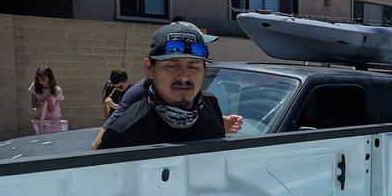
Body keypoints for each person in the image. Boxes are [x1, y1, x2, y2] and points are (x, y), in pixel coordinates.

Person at [97, 20, 242, 149]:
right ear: (149, 69)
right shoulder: (123, 131)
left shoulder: (212, 106)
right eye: (172, 65)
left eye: (194, 66)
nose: (184, 76)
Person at [29, 66, 65, 134]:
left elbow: (52, 109)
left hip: (53, 119)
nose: (41, 82)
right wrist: (41, 103)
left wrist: (50, 101)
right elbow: (33, 104)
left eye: (43, 79)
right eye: (39, 80)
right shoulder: (34, 86)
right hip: (40, 118)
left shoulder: (57, 90)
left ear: (49, 78)